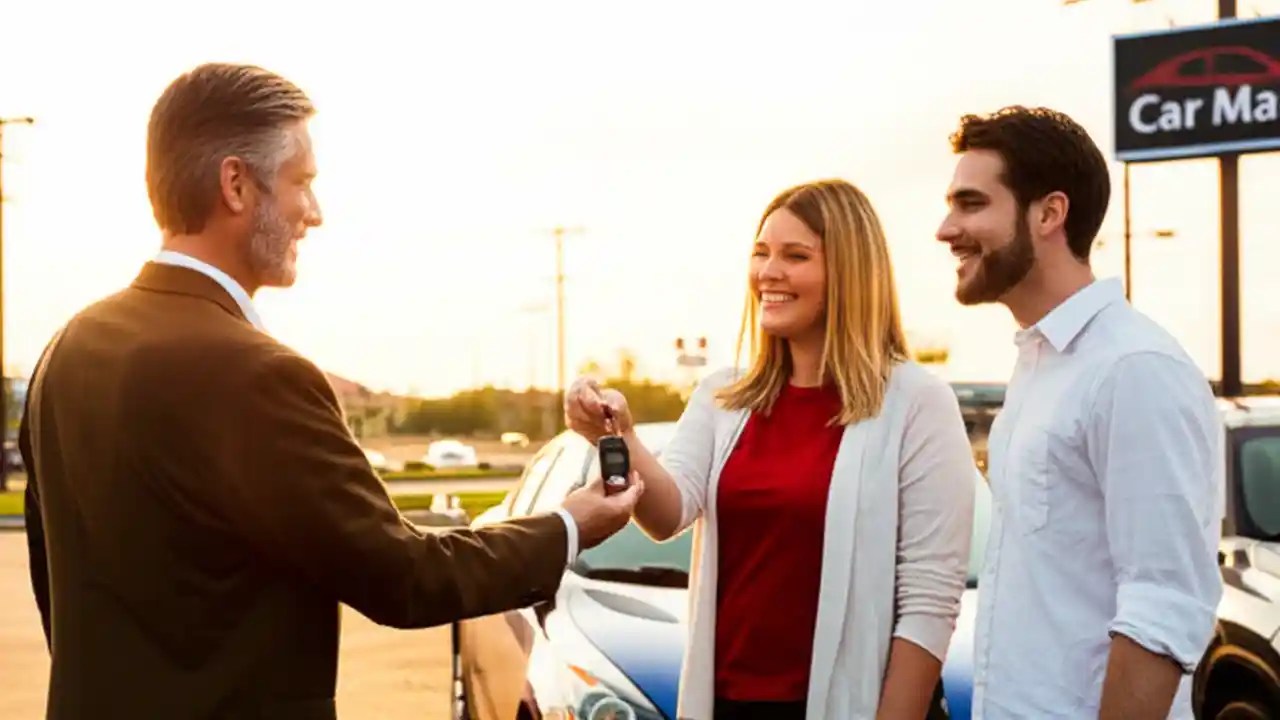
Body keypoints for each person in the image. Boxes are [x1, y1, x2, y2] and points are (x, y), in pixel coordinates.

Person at [18, 62, 642, 720]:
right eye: (303, 183)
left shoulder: (69, 347)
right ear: (235, 183)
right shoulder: (257, 374)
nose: (313, 213)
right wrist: (571, 524)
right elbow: (406, 578)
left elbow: (53, 578)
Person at [565, 179, 977, 720]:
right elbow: (667, 515)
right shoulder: (722, 395)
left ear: (852, 274)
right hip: (726, 704)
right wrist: (615, 435)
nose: (768, 272)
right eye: (761, 253)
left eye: (795, 255)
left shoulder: (917, 403)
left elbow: (929, 603)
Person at [936, 106, 1223, 719]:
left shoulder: (1133, 368)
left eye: (971, 204)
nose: (945, 228)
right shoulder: (1041, 365)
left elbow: (1163, 607)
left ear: (1049, 213)